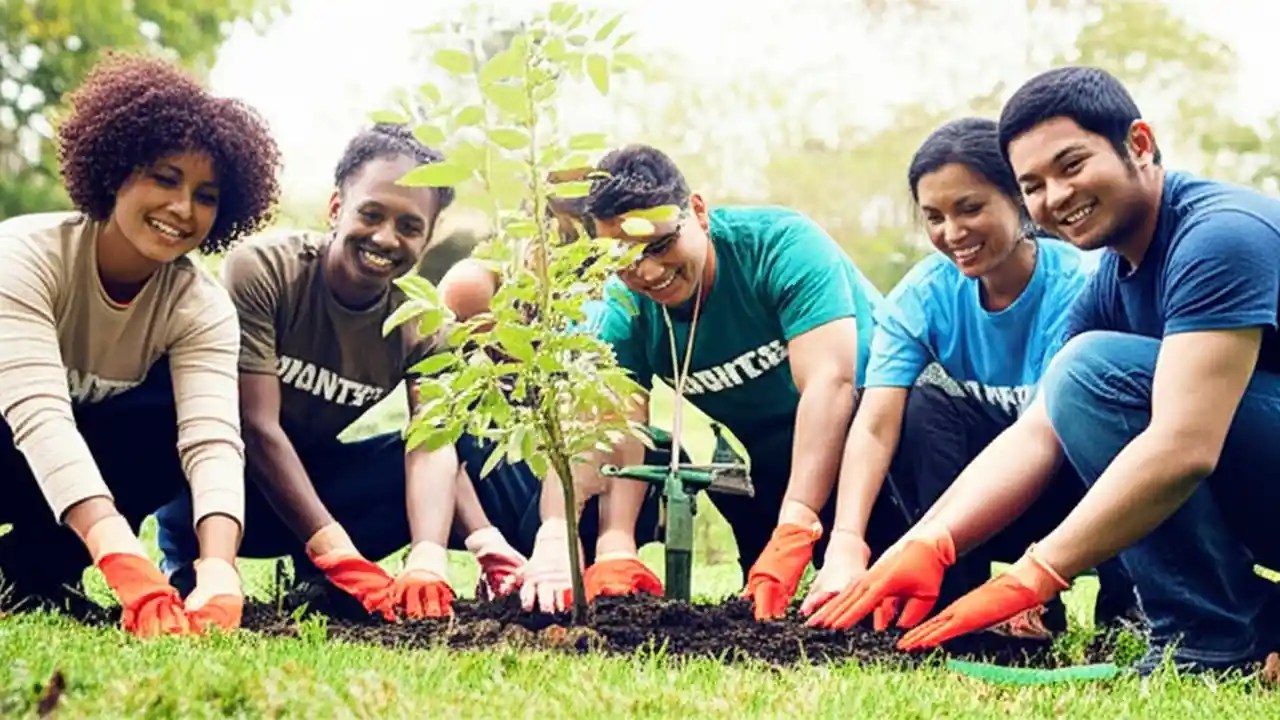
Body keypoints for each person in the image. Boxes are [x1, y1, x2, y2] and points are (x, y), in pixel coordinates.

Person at [808, 65, 1280, 676]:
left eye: (1072, 165)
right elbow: (1041, 428)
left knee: (1092, 372)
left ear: (1139, 144)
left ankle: (1210, 636)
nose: (1055, 197)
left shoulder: (1220, 237)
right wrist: (930, 542)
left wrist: (1038, 573)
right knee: (1079, 380)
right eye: (1034, 184)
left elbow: (1183, 446)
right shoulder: (1115, 280)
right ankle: (1233, 630)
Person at [509, 143, 897, 620]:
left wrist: (797, 522)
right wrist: (589, 539)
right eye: (622, 256)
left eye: (660, 244)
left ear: (697, 212)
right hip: (777, 454)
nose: (647, 271)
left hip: (887, 428)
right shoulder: (624, 308)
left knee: (887, 585)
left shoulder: (780, 246)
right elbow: (613, 429)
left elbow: (832, 383)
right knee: (784, 603)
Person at [155, 124, 526, 620]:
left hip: (316, 485)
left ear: (428, 237)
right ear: (336, 209)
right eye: (371, 214)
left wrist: (445, 551)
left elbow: (432, 445)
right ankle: (191, 565)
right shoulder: (266, 271)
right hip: (217, 494)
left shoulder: (419, 322)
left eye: (410, 226)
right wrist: (337, 552)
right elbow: (256, 426)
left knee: (435, 445)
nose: (385, 237)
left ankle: (318, 584)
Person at [802, 117, 1135, 638]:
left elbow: (1047, 440)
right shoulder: (923, 296)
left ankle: (1128, 611)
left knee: (1111, 409)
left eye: (970, 208)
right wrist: (846, 540)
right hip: (980, 508)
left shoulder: (1081, 284)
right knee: (921, 407)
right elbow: (874, 426)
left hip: (1080, 495)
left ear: (1020, 198)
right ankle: (958, 601)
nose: (952, 233)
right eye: (934, 216)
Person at [0, 51, 281, 637]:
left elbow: (212, 442)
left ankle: (29, 577)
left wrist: (219, 568)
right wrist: (123, 557)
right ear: (116, 170)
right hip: (15, 437)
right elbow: (38, 416)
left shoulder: (200, 308)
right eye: (165, 177)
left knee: (164, 424)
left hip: (58, 475)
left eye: (206, 195)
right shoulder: (26, 254)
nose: (183, 209)